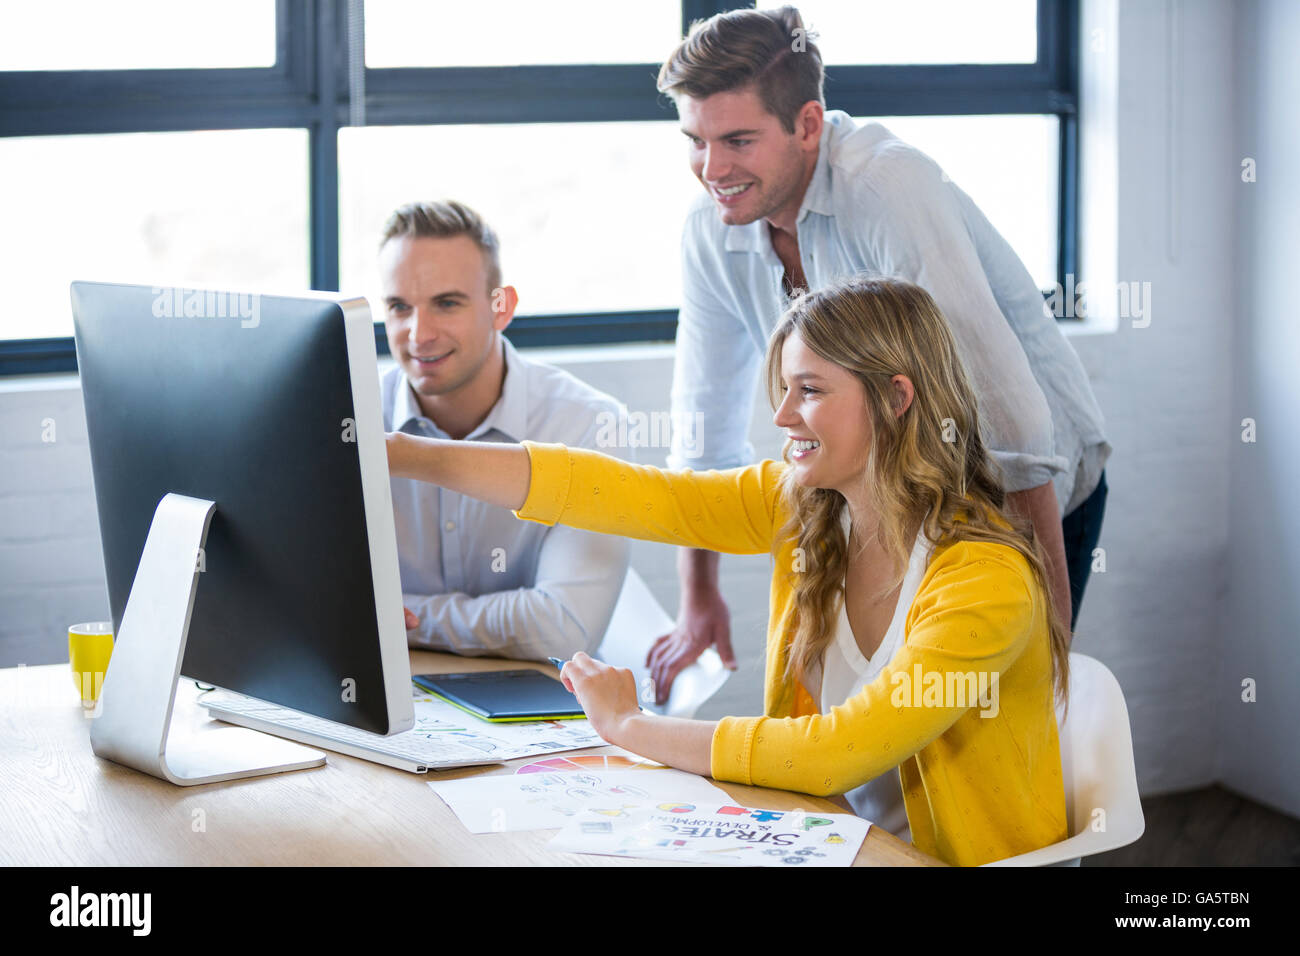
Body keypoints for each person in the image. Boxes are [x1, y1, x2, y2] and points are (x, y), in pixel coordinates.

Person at [387, 277, 1071, 867]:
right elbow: (629, 492)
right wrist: (403, 454)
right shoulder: (806, 507)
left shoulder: (984, 579)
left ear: (896, 398)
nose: (780, 415)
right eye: (783, 387)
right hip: (829, 838)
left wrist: (632, 726)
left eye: (809, 390)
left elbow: (837, 753)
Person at [647, 4, 1110, 705]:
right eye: (695, 141)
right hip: (893, 504)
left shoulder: (889, 187)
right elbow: (701, 424)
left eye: (737, 140)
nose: (711, 169)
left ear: (807, 124)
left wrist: (1047, 655)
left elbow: (1013, 429)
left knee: (998, 718)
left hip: (1023, 487)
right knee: (882, 724)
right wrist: (698, 598)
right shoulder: (709, 232)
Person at [378, 199, 630, 662]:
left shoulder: (588, 426)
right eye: (399, 307)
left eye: (446, 303)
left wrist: (406, 618)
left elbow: (563, 628)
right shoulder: (349, 419)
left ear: (501, 307)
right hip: (392, 699)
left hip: (538, 706)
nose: (418, 334)